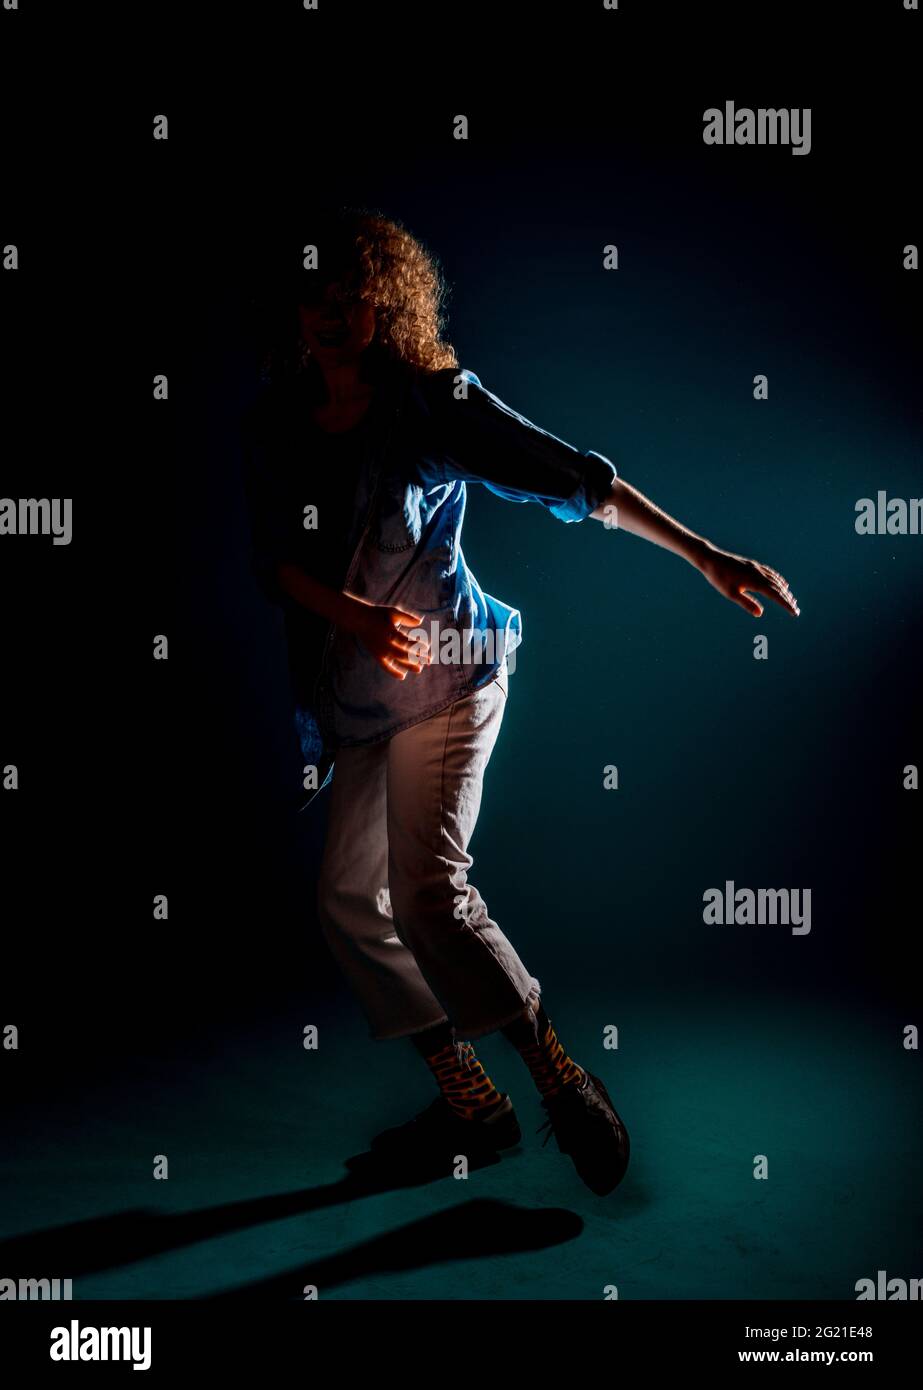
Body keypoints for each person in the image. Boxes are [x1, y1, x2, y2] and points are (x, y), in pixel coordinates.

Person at [242, 208, 799, 1196]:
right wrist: (354, 618)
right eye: (314, 298)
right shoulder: (286, 415)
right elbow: (273, 562)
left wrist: (705, 554)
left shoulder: (430, 405)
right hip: (356, 704)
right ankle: (471, 1101)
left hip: (453, 678)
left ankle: (552, 1072)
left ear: (385, 306)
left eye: (351, 299)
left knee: (427, 893)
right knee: (344, 900)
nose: (331, 316)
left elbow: (572, 479)